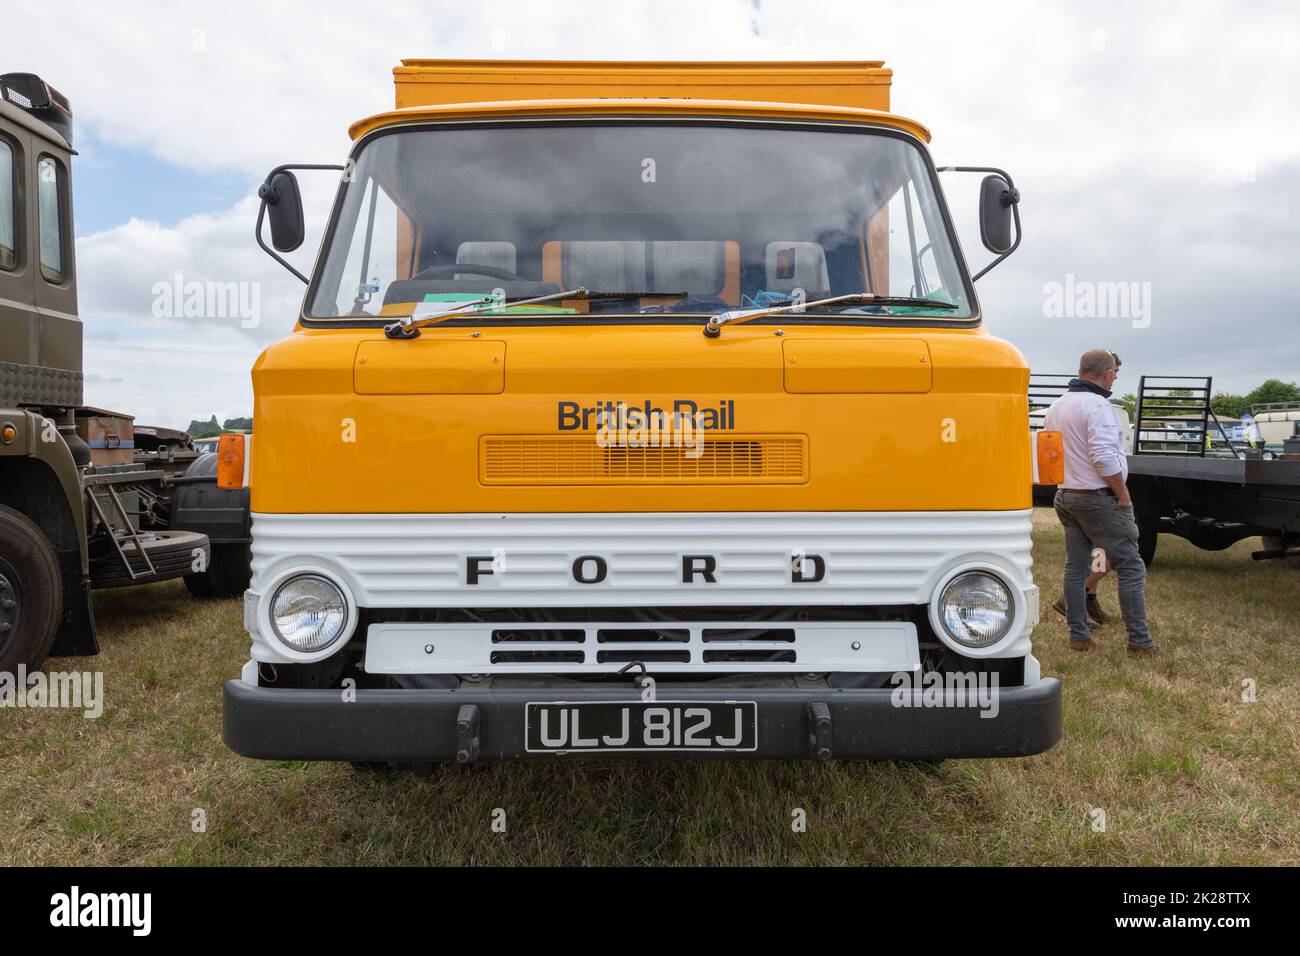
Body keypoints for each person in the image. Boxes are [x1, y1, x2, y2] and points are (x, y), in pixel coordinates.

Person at [1044, 349, 1156, 653]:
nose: (1114, 380)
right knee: (1131, 566)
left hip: (1066, 495)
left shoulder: (1057, 406)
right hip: (1097, 496)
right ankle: (1139, 641)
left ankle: (1078, 636)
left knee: (1076, 567)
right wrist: (1122, 493)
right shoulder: (1098, 405)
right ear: (1107, 373)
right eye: (1115, 375)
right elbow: (1104, 456)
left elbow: (1049, 453)